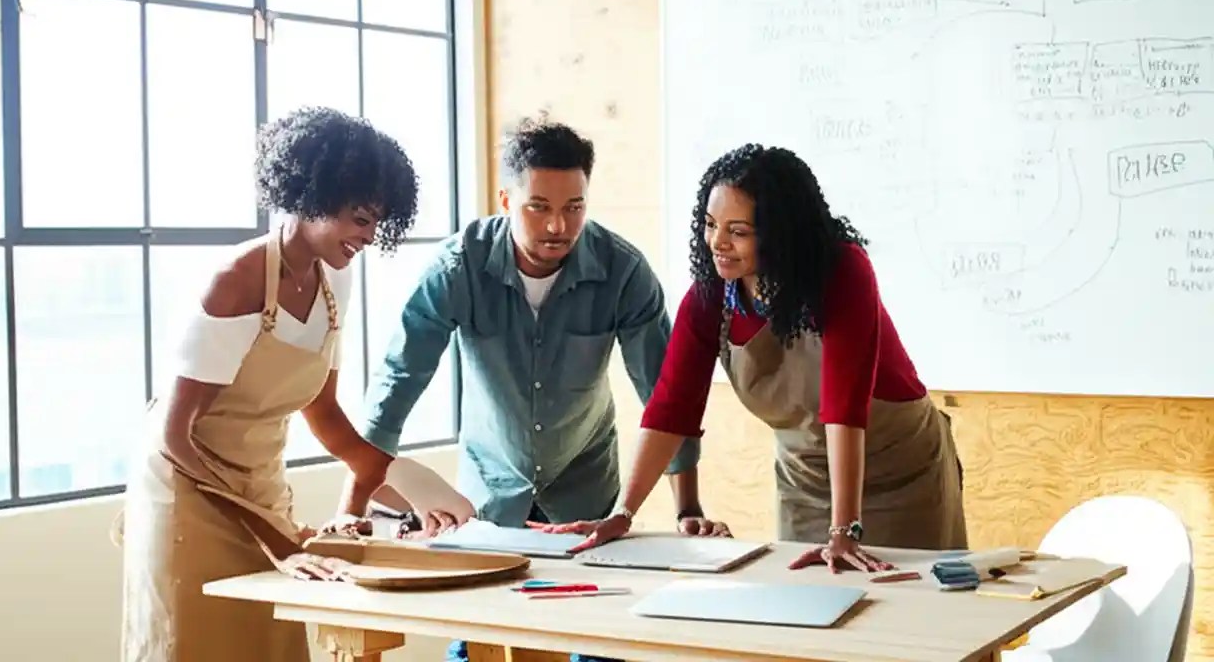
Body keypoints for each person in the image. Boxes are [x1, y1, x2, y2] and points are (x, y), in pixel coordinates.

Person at [318, 116, 699, 662]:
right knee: (481, 644)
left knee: (595, 642)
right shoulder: (458, 265)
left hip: (586, 491)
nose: (557, 226)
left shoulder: (623, 270)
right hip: (489, 496)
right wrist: (354, 501)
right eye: (538, 206)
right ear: (505, 199)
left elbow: (664, 396)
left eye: (574, 207)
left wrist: (689, 506)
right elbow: (401, 377)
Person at [116, 106, 463, 662]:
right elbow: (173, 435)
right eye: (358, 218)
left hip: (260, 485)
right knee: (193, 645)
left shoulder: (335, 279)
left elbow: (322, 410)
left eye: (377, 221)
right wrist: (276, 540)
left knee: (269, 647)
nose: (369, 236)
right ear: (314, 196)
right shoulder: (236, 280)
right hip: (189, 494)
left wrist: (387, 474)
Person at [533, 143, 968, 573]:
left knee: (909, 614)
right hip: (807, 480)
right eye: (709, 224)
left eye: (737, 231)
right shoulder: (710, 298)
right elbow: (670, 411)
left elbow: (844, 407)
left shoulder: (842, 273)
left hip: (902, 470)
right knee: (813, 615)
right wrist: (623, 513)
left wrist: (845, 528)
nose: (717, 243)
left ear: (780, 234)